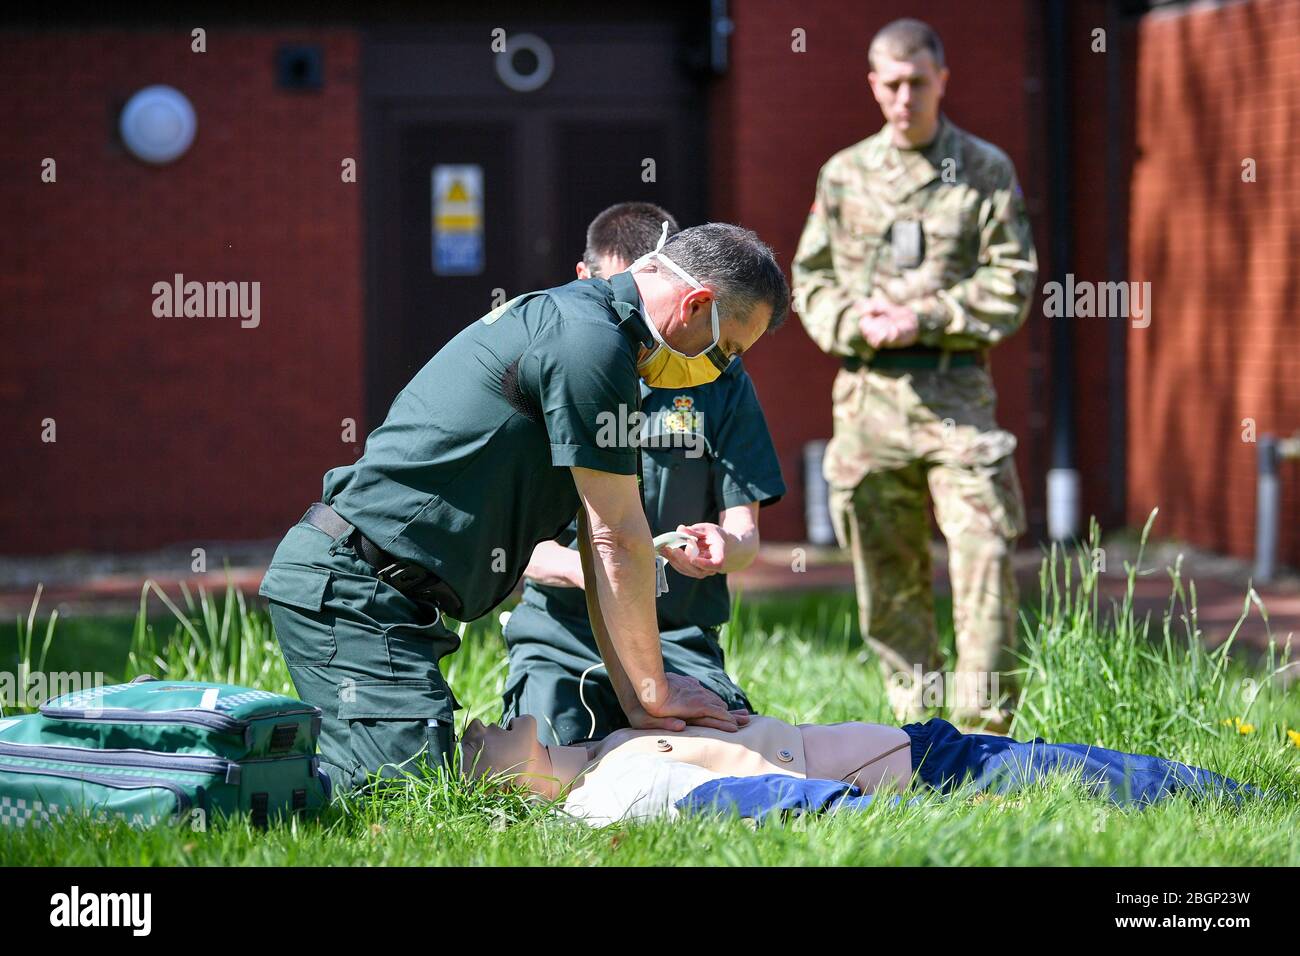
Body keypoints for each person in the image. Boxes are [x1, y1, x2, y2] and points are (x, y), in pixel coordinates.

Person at [259, 222, 789, 794]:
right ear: (697, 305)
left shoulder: (595, 330)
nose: (719, 368)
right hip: (353, 589)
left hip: (388, 597)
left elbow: (597, 542)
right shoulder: (590, 343)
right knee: (395, 795)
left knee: (428, 788)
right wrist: (656, 692)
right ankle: (175, 759)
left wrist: (642, 699)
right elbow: (619, 538)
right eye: (726, 349)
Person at [791, 18, 1038, 730]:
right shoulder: (842, 175)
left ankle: (985, 736)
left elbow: (1013, 281)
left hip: (955, 392)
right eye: (891, 84)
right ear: (873, 85)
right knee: (887, 575)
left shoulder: (984, 169)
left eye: (918, 83)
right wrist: (852, 321)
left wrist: (922, 316)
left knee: (983, 553)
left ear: (942, 82)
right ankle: (920, 734)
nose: (905, 98)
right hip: (869, 398)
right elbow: (810, 280)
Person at [504, 202, 786, 746]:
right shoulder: (549, 362)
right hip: (561, 634)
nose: (632, 328)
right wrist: (600, 570)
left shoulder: (716, 373)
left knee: (721, 749)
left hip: (674, 633)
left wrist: (725, 545)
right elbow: (506, 544)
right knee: (543, 763)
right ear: (585, 281)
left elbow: (746, 534)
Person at [459, 712, 1257, 826]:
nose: (480, 723)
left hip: (923, 743)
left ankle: (1257, 798)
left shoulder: (606, 740)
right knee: (1119, 780)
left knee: (1110, 766)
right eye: (474, 747)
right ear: (516, 785)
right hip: (930, 776)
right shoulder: (605, 795)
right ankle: (1258, 804)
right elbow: (774, 799)